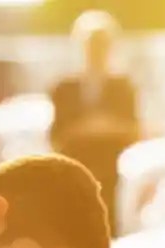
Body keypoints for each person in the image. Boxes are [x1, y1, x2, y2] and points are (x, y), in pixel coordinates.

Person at [48, 10, 140, 229]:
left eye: (102, 44)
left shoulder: (123, 86)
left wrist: (102, 127)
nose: (97, 51)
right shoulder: (64, 88)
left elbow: (134, 130)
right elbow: (56, 135)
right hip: (77, 172)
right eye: (92, 44)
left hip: (112, 173)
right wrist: (90, 128)